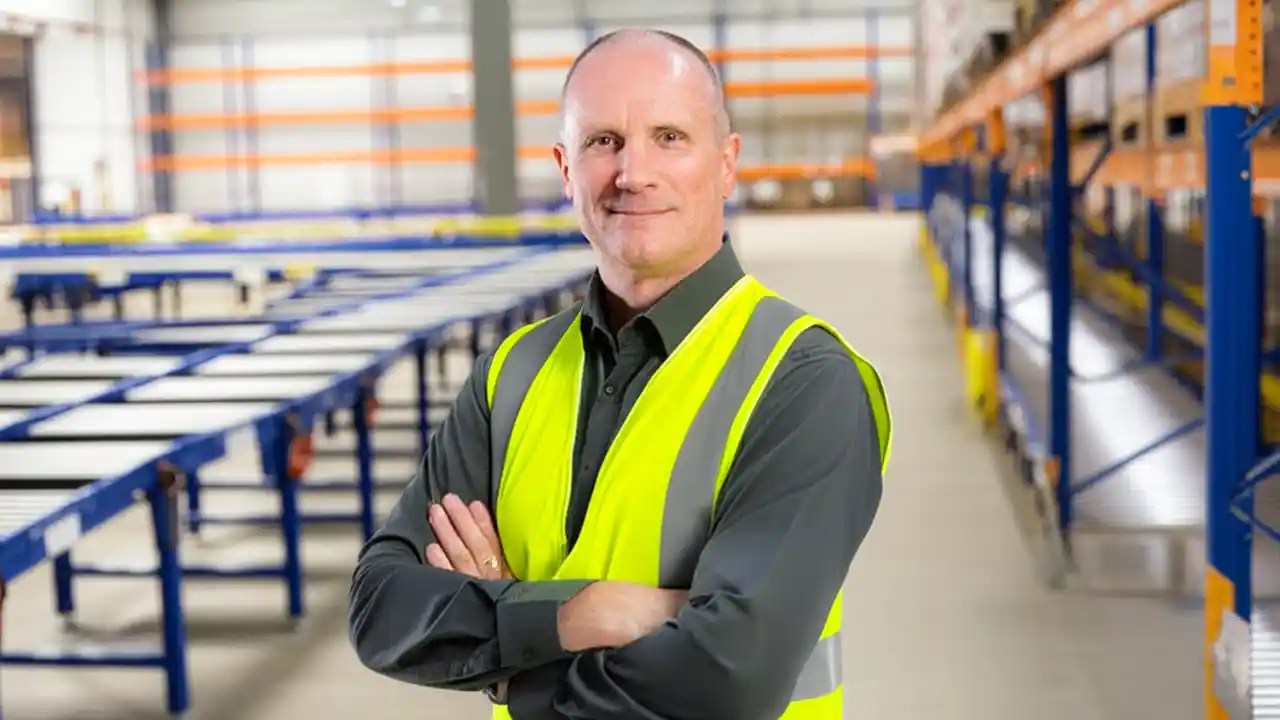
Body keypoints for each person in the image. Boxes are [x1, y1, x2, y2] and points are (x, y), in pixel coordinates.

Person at [347, 27, 891, 720]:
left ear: (726, 165)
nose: (634, 172)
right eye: (603, 141)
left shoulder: (805, 381)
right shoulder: (509, 378)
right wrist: (579, 615)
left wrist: (512, 665)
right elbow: (381, 606)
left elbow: (731, 674)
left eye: (669, 136)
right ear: (565, 169)